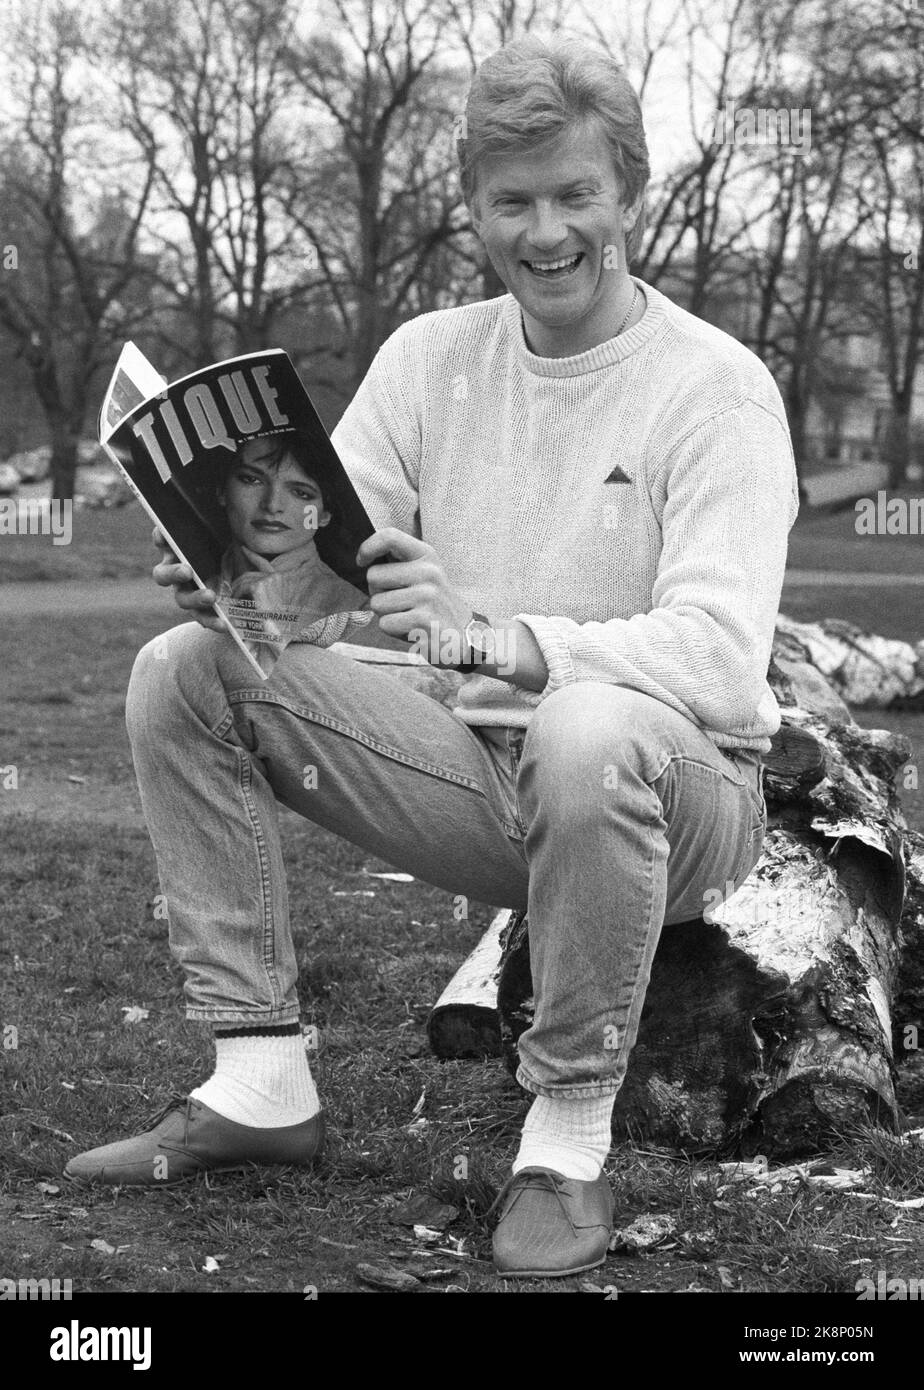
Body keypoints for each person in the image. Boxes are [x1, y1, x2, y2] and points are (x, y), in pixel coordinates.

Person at [64, 34, 798, 1280]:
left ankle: (565, 1138)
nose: (548, 230)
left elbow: (722, 659)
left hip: (685, 794)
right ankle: (260, 1077)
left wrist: (498, 636)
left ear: (629, 191)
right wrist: (239, 578)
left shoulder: (715, 389)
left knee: (587, 724)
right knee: (181, 667)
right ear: (473, 207)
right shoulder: (426, 358)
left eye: (576, 193)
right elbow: (333, 573)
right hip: (472, 767)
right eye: (513, 201)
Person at [209, 433, 376, 675]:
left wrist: (277, 620)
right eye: (251, 479)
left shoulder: (350, 604)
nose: (272, 504)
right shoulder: (206, 577)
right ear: (221, 491)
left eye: (301, 493)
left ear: (324, 514)